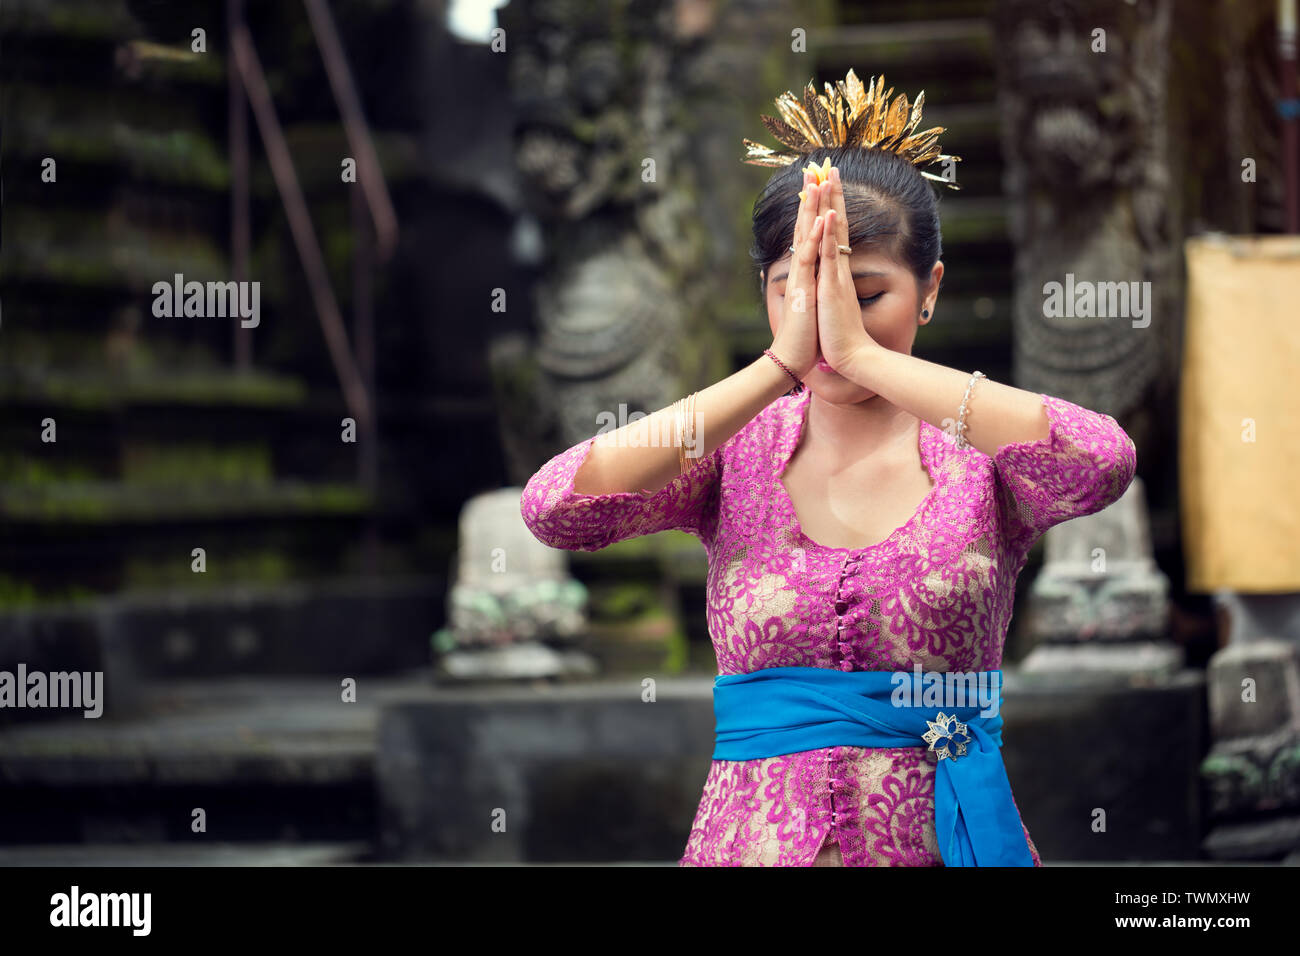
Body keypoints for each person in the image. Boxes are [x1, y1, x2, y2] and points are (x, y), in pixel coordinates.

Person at [519, 70, 1137, 866]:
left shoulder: (983, 457)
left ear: (930, 291)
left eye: (865, 292)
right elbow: (555, 506)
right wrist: (778, 366)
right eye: (796, 291)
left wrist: (859, 355)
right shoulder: (730, 456)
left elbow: (1102, 460)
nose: (826, 316)